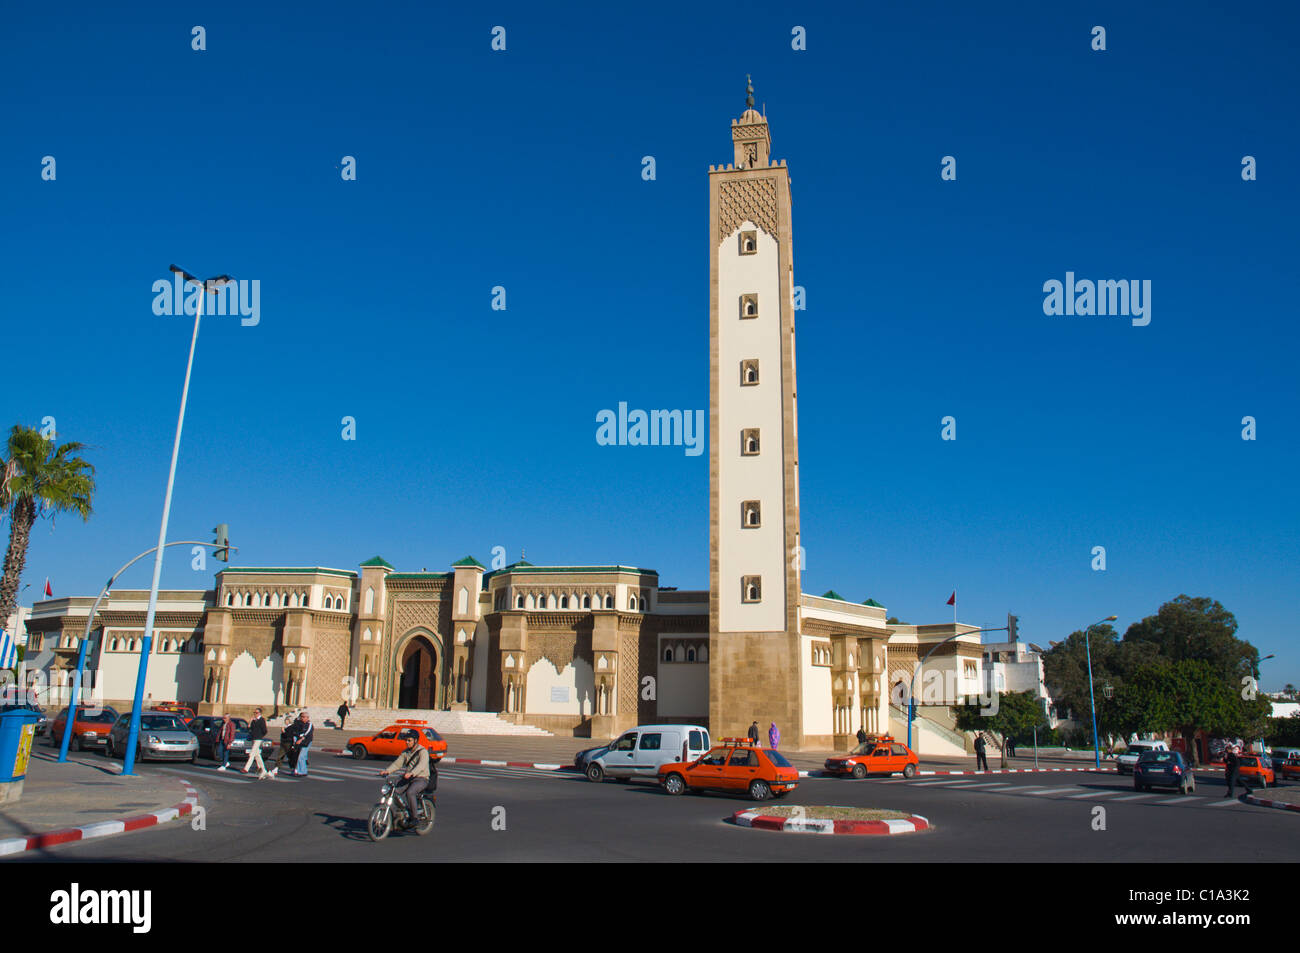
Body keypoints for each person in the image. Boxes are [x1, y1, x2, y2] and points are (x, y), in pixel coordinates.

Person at [380, 729, 432, 826]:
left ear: (415, 740)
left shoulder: (423, 751)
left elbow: (421, 765)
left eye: (409, 740)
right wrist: (387, 771)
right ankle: (404, 810)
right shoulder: (406, 752)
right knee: (393, 790)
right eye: (406, 740)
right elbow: (397, 764)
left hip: (421, 778)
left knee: (410, 792)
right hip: (408, 778)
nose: (407, 742)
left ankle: (415, 818)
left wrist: (412, 773)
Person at [265, 714, 303, 779]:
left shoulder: (291, 727)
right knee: (282, 756)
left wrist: (283, 732)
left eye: (286, 720)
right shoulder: (288, 727)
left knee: (286, 756)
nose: (285, 721)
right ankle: (277, 768)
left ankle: (294, 769)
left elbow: (288, 735)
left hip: (288, 743)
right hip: (284, 743)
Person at [243, 707, 269, 778]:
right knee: (257, 755)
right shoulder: (254, 721)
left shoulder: (262, 720)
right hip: (253, 739)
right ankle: (264, 770)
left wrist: (260, 736)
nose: (255, 714)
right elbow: (249, 729)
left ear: (260, 713)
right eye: (254, 713)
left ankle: (246, 768)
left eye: (256, 713)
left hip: (258, 739)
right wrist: (250, 722)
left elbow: (265, 730)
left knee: (252, 753)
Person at [292, 711, 314, 777]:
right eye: (302, 717)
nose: (303, 718)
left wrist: (301, 739)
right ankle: (301, 770)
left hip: (306, 741)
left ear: (307, 718)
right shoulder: (300, 723)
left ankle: (301, 772)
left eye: (304, 717)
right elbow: (296, 731)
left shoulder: (310, 724)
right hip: (300, 741)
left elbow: (307, 733)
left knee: (301, 756)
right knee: (302, 756)